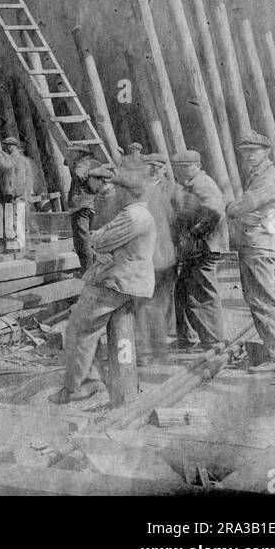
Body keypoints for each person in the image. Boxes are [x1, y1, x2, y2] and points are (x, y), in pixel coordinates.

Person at [53, 165, 157, 403]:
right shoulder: (134, 213)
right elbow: (101, 241)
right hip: (122, 279)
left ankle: (80, 386)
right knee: (85, 328)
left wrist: (102, 245)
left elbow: (96, 240)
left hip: (117, 282)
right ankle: (91, 381)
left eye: (115, 189)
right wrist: (104, 246)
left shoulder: (132, 216)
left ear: (126, 192)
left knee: (78, 328)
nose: (111, 193)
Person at [226, 131, 275, 372]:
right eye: (245, 153)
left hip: (260, 245)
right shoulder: (260, 176)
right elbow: (245, 211)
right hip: (256, 243)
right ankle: (273, 351)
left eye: (254, 152)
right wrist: (245, 215)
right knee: (256, 299)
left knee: (263, 299)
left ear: (267, 152)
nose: (249, 157)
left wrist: (237, 210)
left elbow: (239, 207)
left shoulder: (269, 179)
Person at [171, 149, 227, 349]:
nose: (178, 172)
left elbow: (213, 214)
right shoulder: (194, 185)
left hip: (205, 247)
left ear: (195, 167)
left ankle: (213, 340)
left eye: (182, 168)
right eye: (177, 168)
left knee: (203, 292)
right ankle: (188, 338)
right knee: (183, 291)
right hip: (198, 247)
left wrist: (192, 235)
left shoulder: (202, 185)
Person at [136, 152, 179, 362]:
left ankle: (160, 352)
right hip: (142, 257)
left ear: (164, 169)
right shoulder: (135, 190)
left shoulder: (172, 189)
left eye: (158, 166)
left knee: (160, 306)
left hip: (165, 255)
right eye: (149, 165)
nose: (153, 169)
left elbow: (186, 217)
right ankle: (144, 353)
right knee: (142, 305)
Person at [66, 145, 106, 271]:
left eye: (73, 152)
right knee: (90, 238)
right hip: (92, 205)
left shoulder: (82, 164)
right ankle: (94, 270)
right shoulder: (97, 163)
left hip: (80, 206)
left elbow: (78, 175)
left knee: (82, 242)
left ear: (80, 153)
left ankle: (87, 272)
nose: (71, 154)